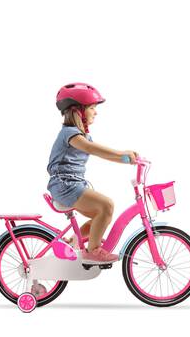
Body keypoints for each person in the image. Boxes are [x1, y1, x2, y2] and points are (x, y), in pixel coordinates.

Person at [47, 83, 138, 263]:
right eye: (92, 108)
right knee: (106, 206)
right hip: (64, 184)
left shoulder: (81, 135)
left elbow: (92, 147)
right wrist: (122, 155)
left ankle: (74, 241)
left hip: (72, 184)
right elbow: (92, 149)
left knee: (101, 216)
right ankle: (92, 251)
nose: (95, 112)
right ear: (77, 111)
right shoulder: (71, 134)